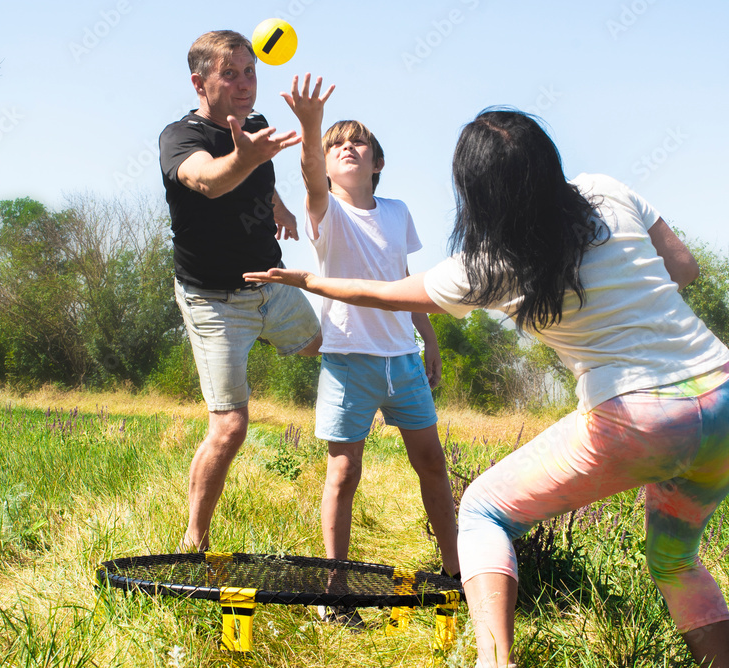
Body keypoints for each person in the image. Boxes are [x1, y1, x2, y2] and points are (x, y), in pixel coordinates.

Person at [244, 109, 729, 667]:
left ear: (474, 190)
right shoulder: (604, 189)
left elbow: (385, 294)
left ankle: (494, 660)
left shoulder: (488, 265)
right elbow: (684, 268)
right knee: (674, 560)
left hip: (640, 417)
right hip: (719, 394)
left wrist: (306, 280)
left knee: (480, 512)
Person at [281, 74, 460, 627]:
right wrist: (312, 126)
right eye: (338, 146)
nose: (348, 149)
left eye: (358, 143)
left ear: (377, 162)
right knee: (343, 471)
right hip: (347, 361)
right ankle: (334, 595)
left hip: (402, 361)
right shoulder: (325, 213)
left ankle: (457, 580)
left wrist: (427, 337)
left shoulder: (399, 211)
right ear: (327, 166)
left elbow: (404, 278)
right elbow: (311, 177)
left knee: (433, 464)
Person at [159, 31, 322, 553]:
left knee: (328, 346)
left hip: (269, 284)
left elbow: (256, 172)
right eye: (230, 73)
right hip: (214, 301)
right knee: (230, 428)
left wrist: (278, 205)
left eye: (250, 71)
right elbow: (209, 181)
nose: (245, 83)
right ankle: (193, 542)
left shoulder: (252, 128)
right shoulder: (180, 138)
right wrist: (248, 159)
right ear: (199, 81)